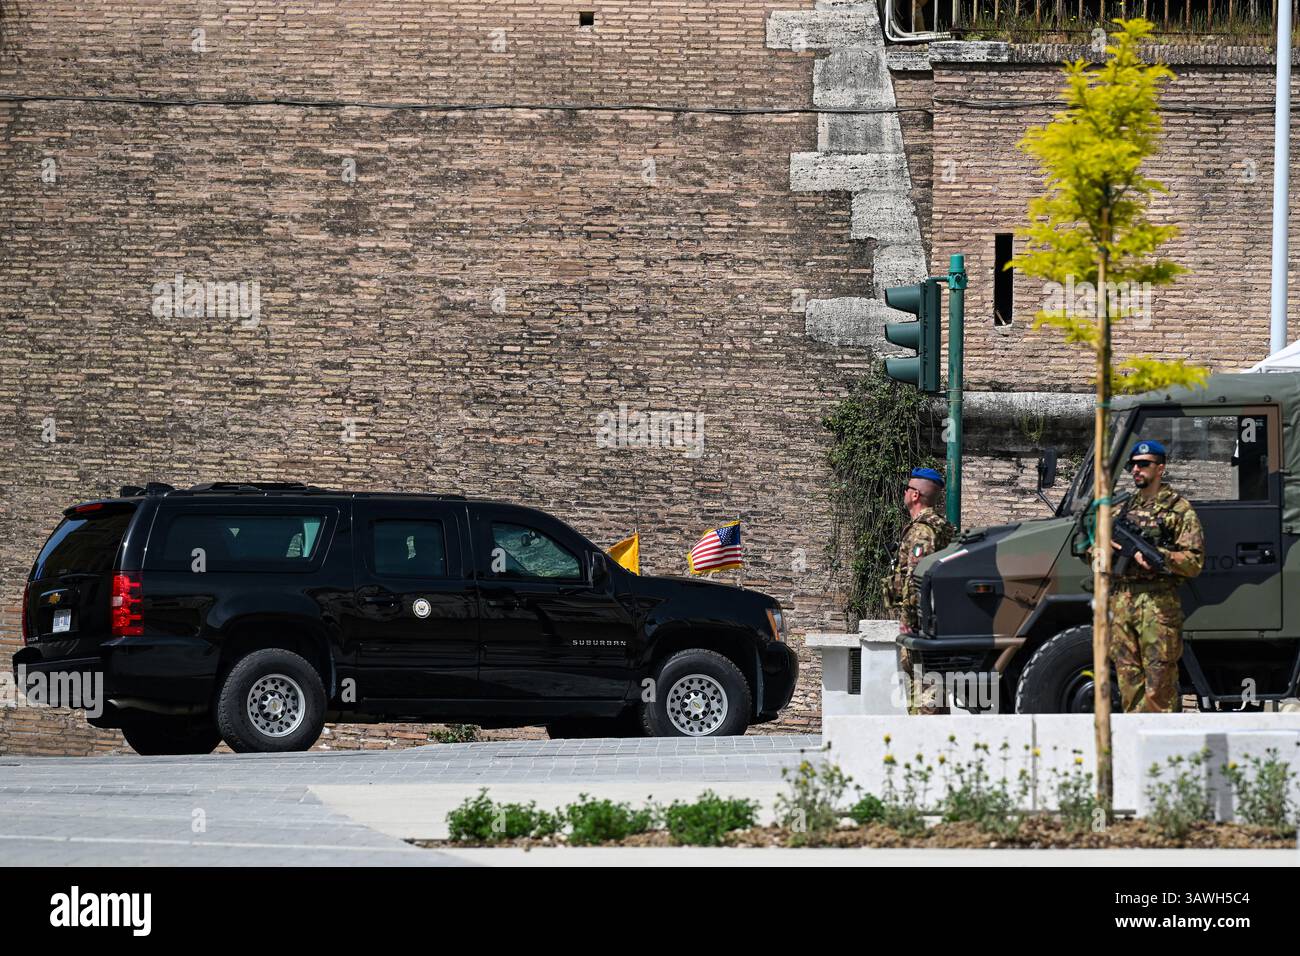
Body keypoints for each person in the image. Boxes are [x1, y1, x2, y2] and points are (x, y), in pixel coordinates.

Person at [1108, 440, 1204, 713]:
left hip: (1158, 605)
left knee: (1159, 684)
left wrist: (1158, 558)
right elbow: (1096, 554)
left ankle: (1162, 750)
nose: (1136, 470)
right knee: (1128, 680)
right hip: (1123, 604)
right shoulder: (1121, 509)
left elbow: (1194, 561)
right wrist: (1104, 551)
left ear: (1160, 468)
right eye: (1133, 465)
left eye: (1143, 464)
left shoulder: (1179, 510)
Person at [884, 467, 954, 714]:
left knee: (923, 683)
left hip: (922, 623)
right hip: (935, 619)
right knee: (930, 683)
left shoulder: (923, 531)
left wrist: (911, 621)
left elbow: (917, 578)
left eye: (907, 488)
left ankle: (923, 742)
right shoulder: (939, 526)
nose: (904, 492)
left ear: (915, 495)